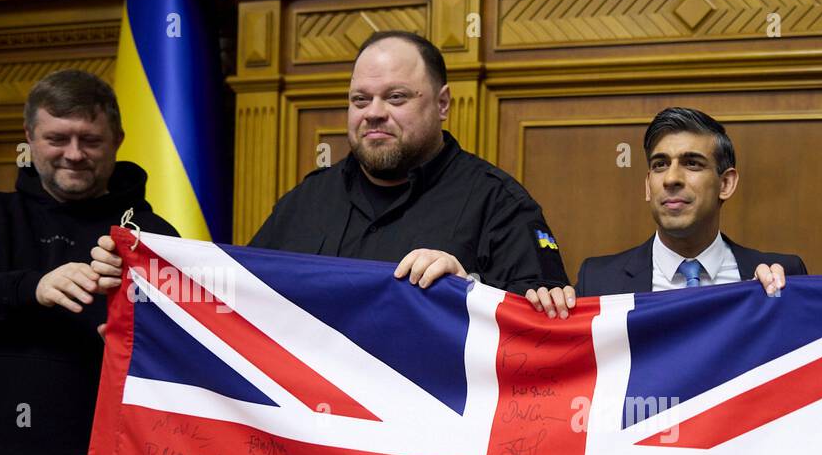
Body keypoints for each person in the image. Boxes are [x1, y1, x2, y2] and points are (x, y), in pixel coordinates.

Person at [92, 30, 568, 294]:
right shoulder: (305, 200)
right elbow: (239, 296)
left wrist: (471, 289)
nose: (374, 112)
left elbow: (541, 331)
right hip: (310, 450)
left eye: (396, 97)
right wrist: (148, 297)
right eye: (360, 99)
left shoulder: (500, 203)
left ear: (442, 103)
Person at [0, 70, 175, 455]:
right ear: (28, 139)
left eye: (90, 140)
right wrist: (28, 289)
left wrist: (132, 310)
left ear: (117, 142)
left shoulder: (154, 238)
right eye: (56, 138)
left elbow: (184, 351)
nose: (74, 154)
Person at [524, 107, 805, 319]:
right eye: (660, 165)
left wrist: (774, 308)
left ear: (726, 183)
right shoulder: (599, 281)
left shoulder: (780, 276)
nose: (671, 179)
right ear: (648, 186)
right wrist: (546, 313)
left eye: (692, 164)